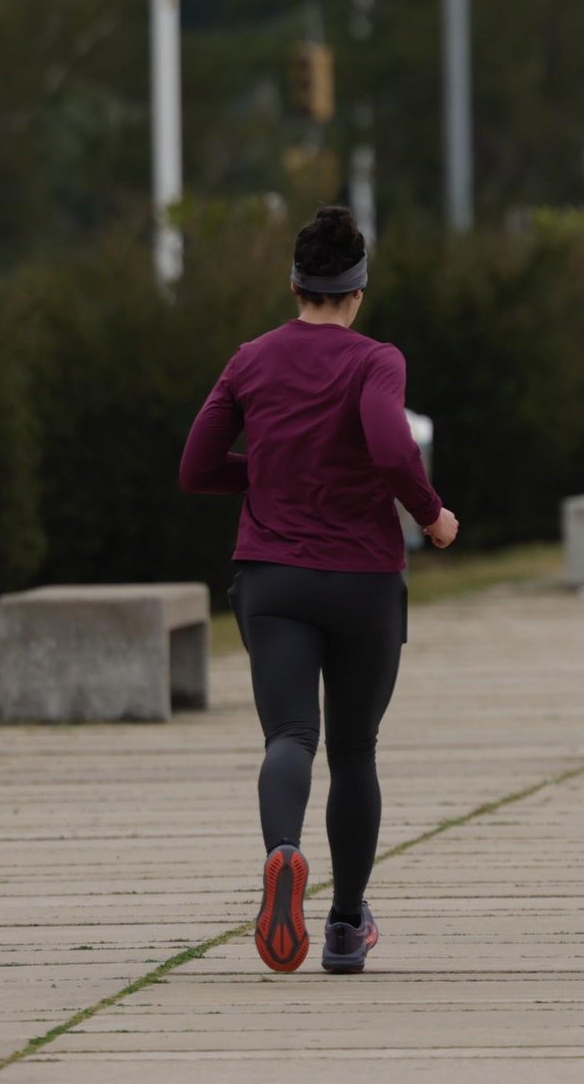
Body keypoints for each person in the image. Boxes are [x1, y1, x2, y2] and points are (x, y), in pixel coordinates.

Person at [178, 205, 455, 976]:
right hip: (363, 582)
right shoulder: (376, 361)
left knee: (289, 738)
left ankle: (282, 855)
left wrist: (270, 472)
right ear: (357, 290)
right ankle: (341, 927)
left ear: (294, 282)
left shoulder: (249, 360)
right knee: (355, 750)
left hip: (272, 581)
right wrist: (430, 515)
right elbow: (390, 444)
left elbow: (196, 468)